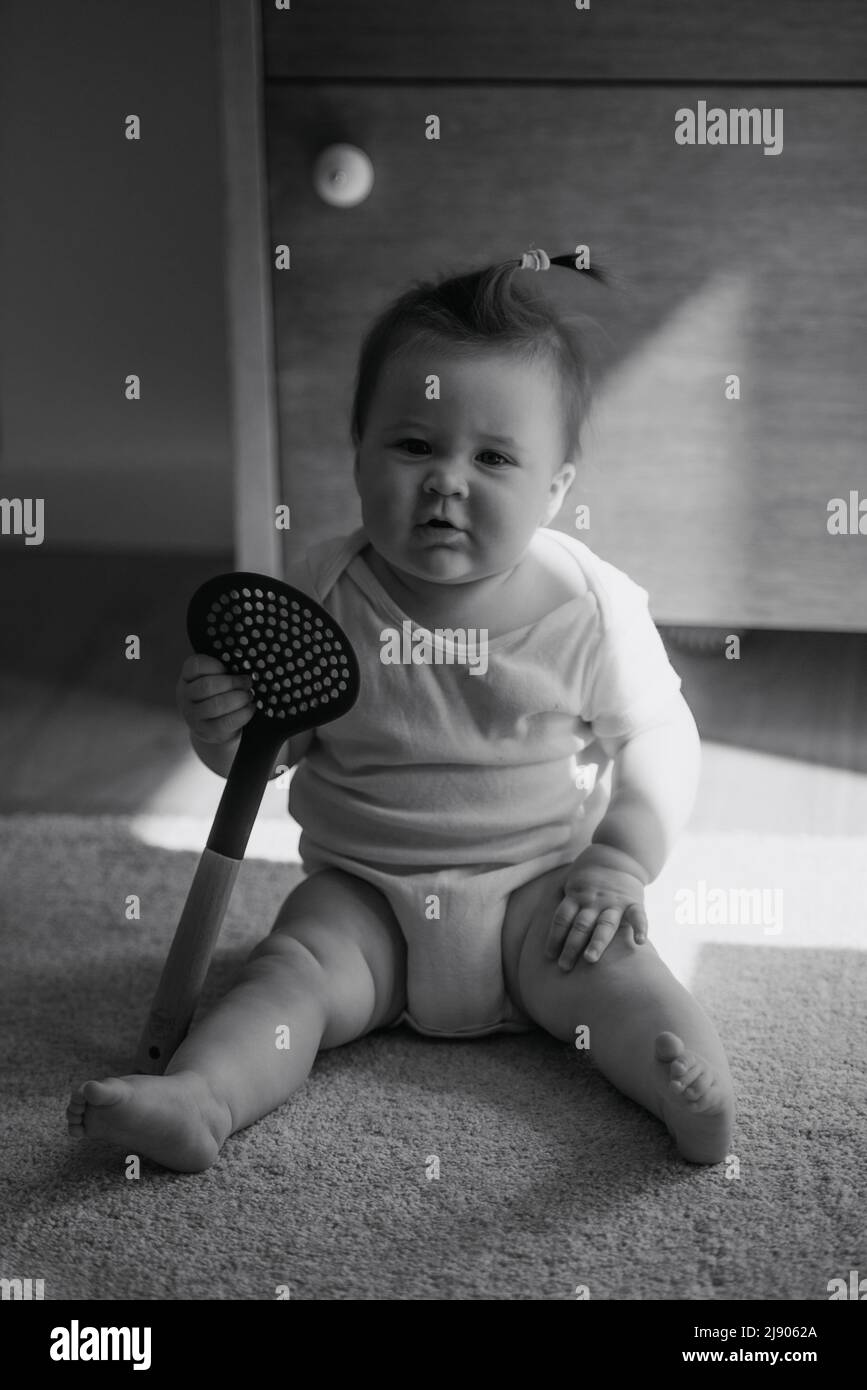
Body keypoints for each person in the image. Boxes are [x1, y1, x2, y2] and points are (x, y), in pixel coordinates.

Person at [67, 253, 735, 1171]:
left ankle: (688, 1089)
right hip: (365, 896)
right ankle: (203, 1099)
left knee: (616, 973)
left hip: (536, 891)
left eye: (493, 458)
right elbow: (279, 740)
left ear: (555, 489)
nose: (447, 481)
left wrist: (618, 862)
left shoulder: (591, 606)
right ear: (358, 449)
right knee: (286, 976)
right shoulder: (323, 585)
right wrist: (222, 727)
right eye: (414, 445)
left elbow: (659, 734)